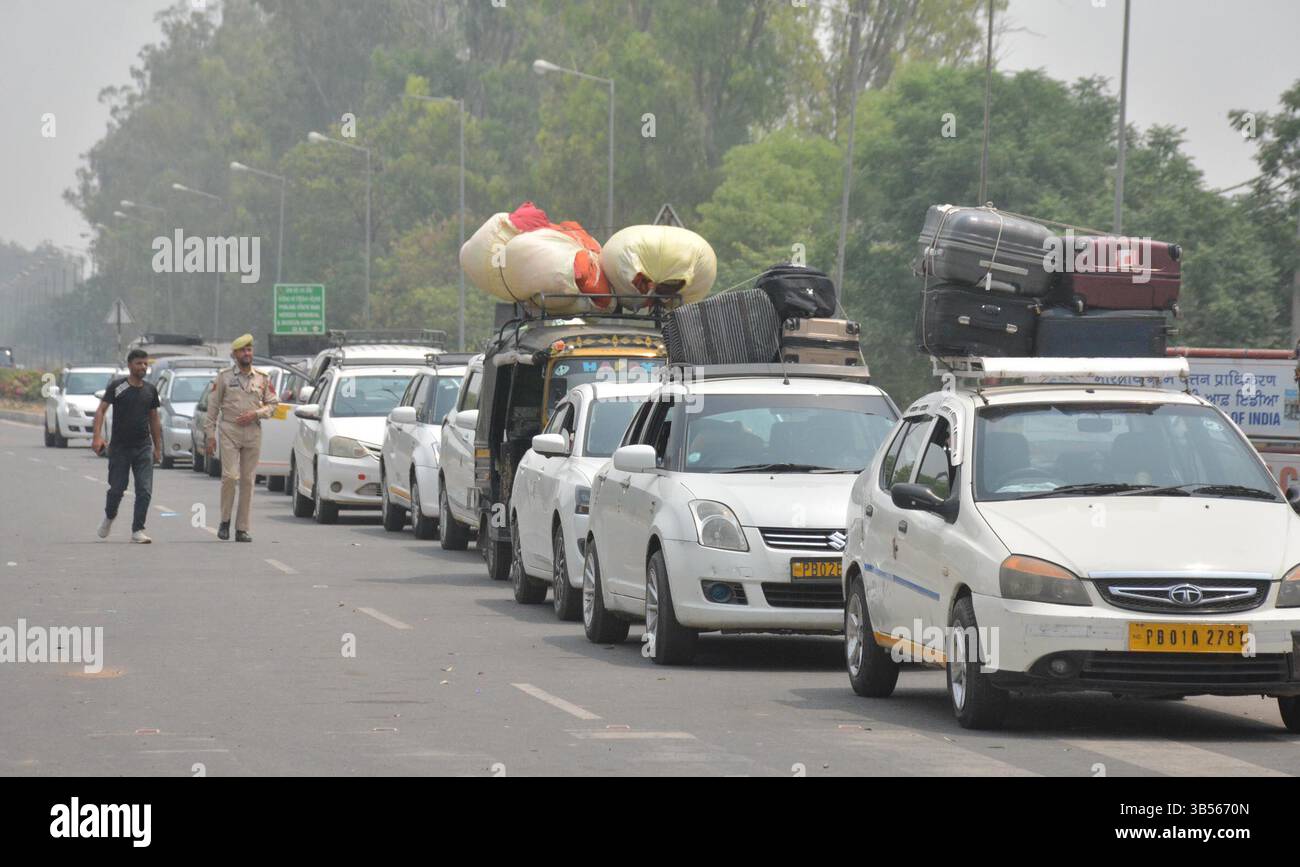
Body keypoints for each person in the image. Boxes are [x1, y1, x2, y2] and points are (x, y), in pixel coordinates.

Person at [205, 333, 278, 541]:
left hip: (253, 432)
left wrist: (256, 413)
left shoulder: (262, 378)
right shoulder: (224, 377)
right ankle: (225, 521)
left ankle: (242, 528)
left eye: (249, 349)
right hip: (229, 430)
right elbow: (212, 408)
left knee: (248, 480)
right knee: (230, 477)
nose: (247, 353)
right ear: (235, 354)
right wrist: (210, 436)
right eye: (243, 350)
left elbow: (273, 405)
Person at [91, 349, 162, 543]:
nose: (143, 367)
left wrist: (158, 448)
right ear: (130, 365)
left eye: (145, 364)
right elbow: (101, 411)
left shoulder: (150, 390)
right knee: (117, 488)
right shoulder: (118, 387)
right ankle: (109, 516)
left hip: (143, 447)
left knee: (145, 490)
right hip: (120, 448)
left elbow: (154, 419)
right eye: (139, 363)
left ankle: (137, 530)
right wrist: (97, 437)